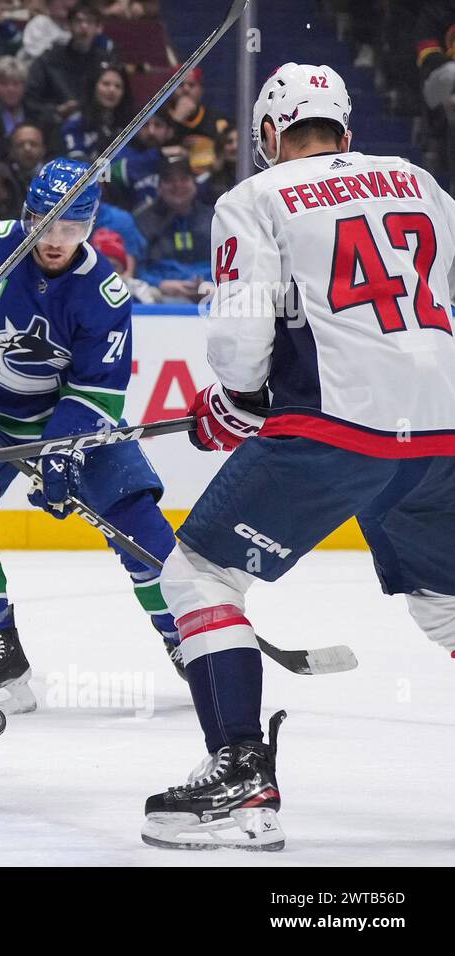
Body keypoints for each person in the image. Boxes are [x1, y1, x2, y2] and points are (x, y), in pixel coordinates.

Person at [142, 63, 455, 851]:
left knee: (198, 575)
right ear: (345, 131)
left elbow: (241, 334)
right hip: (445, 432)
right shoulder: (418, 181)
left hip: (338, 431)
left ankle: (240, 775)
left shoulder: (255, 198)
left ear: (271, 135)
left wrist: (235, 403)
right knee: (448, 603)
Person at [0, 158, 182, 718]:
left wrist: (61, 451)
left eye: (72, 228)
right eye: (46, 224)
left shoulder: (103, 293)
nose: (56, 241)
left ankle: (188, 637)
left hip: (68, 424)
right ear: (26, 213)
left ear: (91, 224)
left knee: (138, 522)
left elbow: (97, 393)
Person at [23, 2, 114, 137]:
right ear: (69, 25)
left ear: (99, 28)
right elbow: (30, 101)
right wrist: (57, 111)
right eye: (78, 21)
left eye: (90, 22)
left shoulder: (106, 62)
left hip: (96, 130)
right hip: (56, 129)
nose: (84, 27)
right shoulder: (48, 59)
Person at [133, 154, 211, 301]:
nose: (177, 186)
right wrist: (160, 284)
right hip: (162, 296)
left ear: (194, 183)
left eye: (184, 179)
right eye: (169, 180)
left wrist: (211, 284)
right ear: (159, 186)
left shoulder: (213, 218)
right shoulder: (143, 221)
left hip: (212, 293)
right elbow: (135, 268)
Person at [58, 63, 132, 162]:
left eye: (118, 86)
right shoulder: (75, 124)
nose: (112, 90)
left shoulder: (129, 125)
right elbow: (75, 162)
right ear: (93, 87)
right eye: (106, 84)